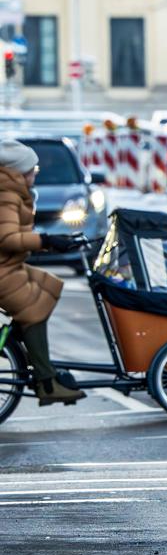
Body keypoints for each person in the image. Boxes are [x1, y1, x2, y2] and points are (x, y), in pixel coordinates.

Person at [0, 140, 85, 405]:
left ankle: (20, 341)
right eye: (32, 168)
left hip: (8, 265)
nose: (36, 172)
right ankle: (47, 383)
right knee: (33, 305)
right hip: (3, 270)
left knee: (49, 285)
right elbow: (8, 238)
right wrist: (46, 241)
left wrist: (54, 241)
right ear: (18, 171)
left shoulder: (14, 191)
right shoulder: (7, 194)